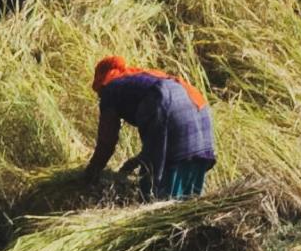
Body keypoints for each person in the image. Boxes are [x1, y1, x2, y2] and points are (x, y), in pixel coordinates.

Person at [84, 56, 216, 202]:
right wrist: (140, 158)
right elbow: (159, 137)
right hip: (199, 111)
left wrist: (91, 172)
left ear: (101, 83)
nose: (100, 97)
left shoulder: (110, 89)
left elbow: (106, 141)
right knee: (188, 199)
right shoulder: (144, 77)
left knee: (153, 194)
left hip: (165, 101)